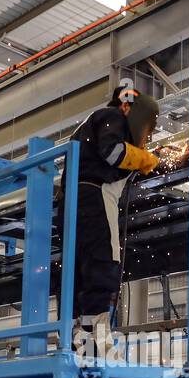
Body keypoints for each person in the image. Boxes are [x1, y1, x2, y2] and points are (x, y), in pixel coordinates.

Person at [68, 78, 161, 354]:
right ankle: (98, 338)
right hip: (93, 197)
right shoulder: (112, 116)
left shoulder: (90, 126)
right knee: (105, 261)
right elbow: (114, 153)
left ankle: (81, 338)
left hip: (75, 201)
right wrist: (144, 159)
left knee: (82, 271)